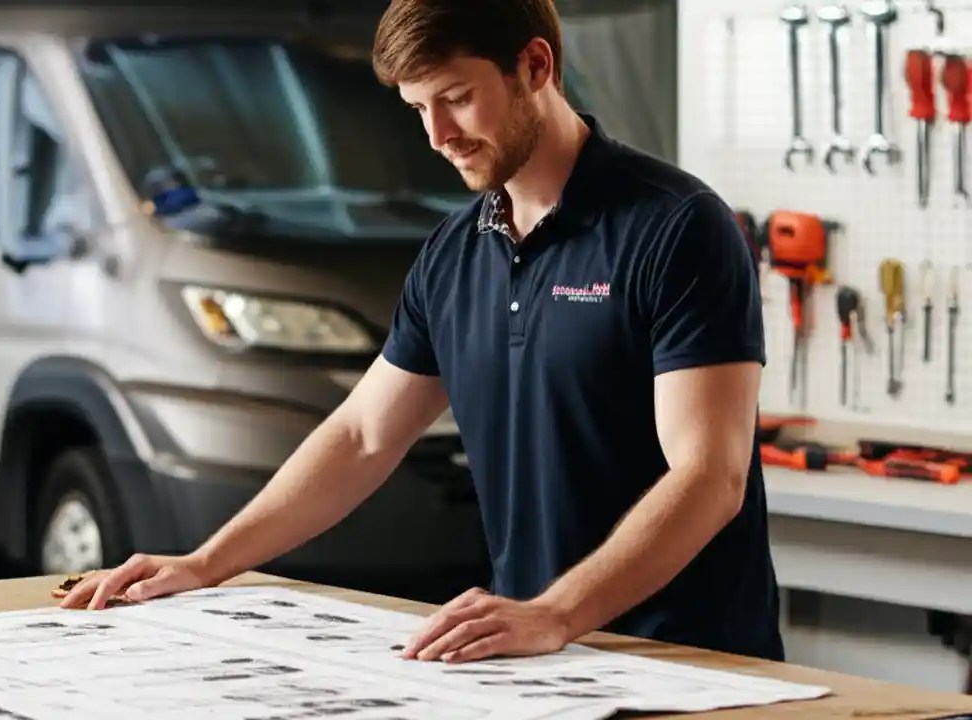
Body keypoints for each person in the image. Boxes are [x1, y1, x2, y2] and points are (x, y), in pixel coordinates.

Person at [60, 0, 783, 664]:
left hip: (692, 663)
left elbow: (709, 476)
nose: (438, 136)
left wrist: (558, 612)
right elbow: (362, 437)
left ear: (536, 66)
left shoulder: (678, 229)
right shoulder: (454, 252)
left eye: (458, 99)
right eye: (417, 109)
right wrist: (205, 563)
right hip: (536, 661)